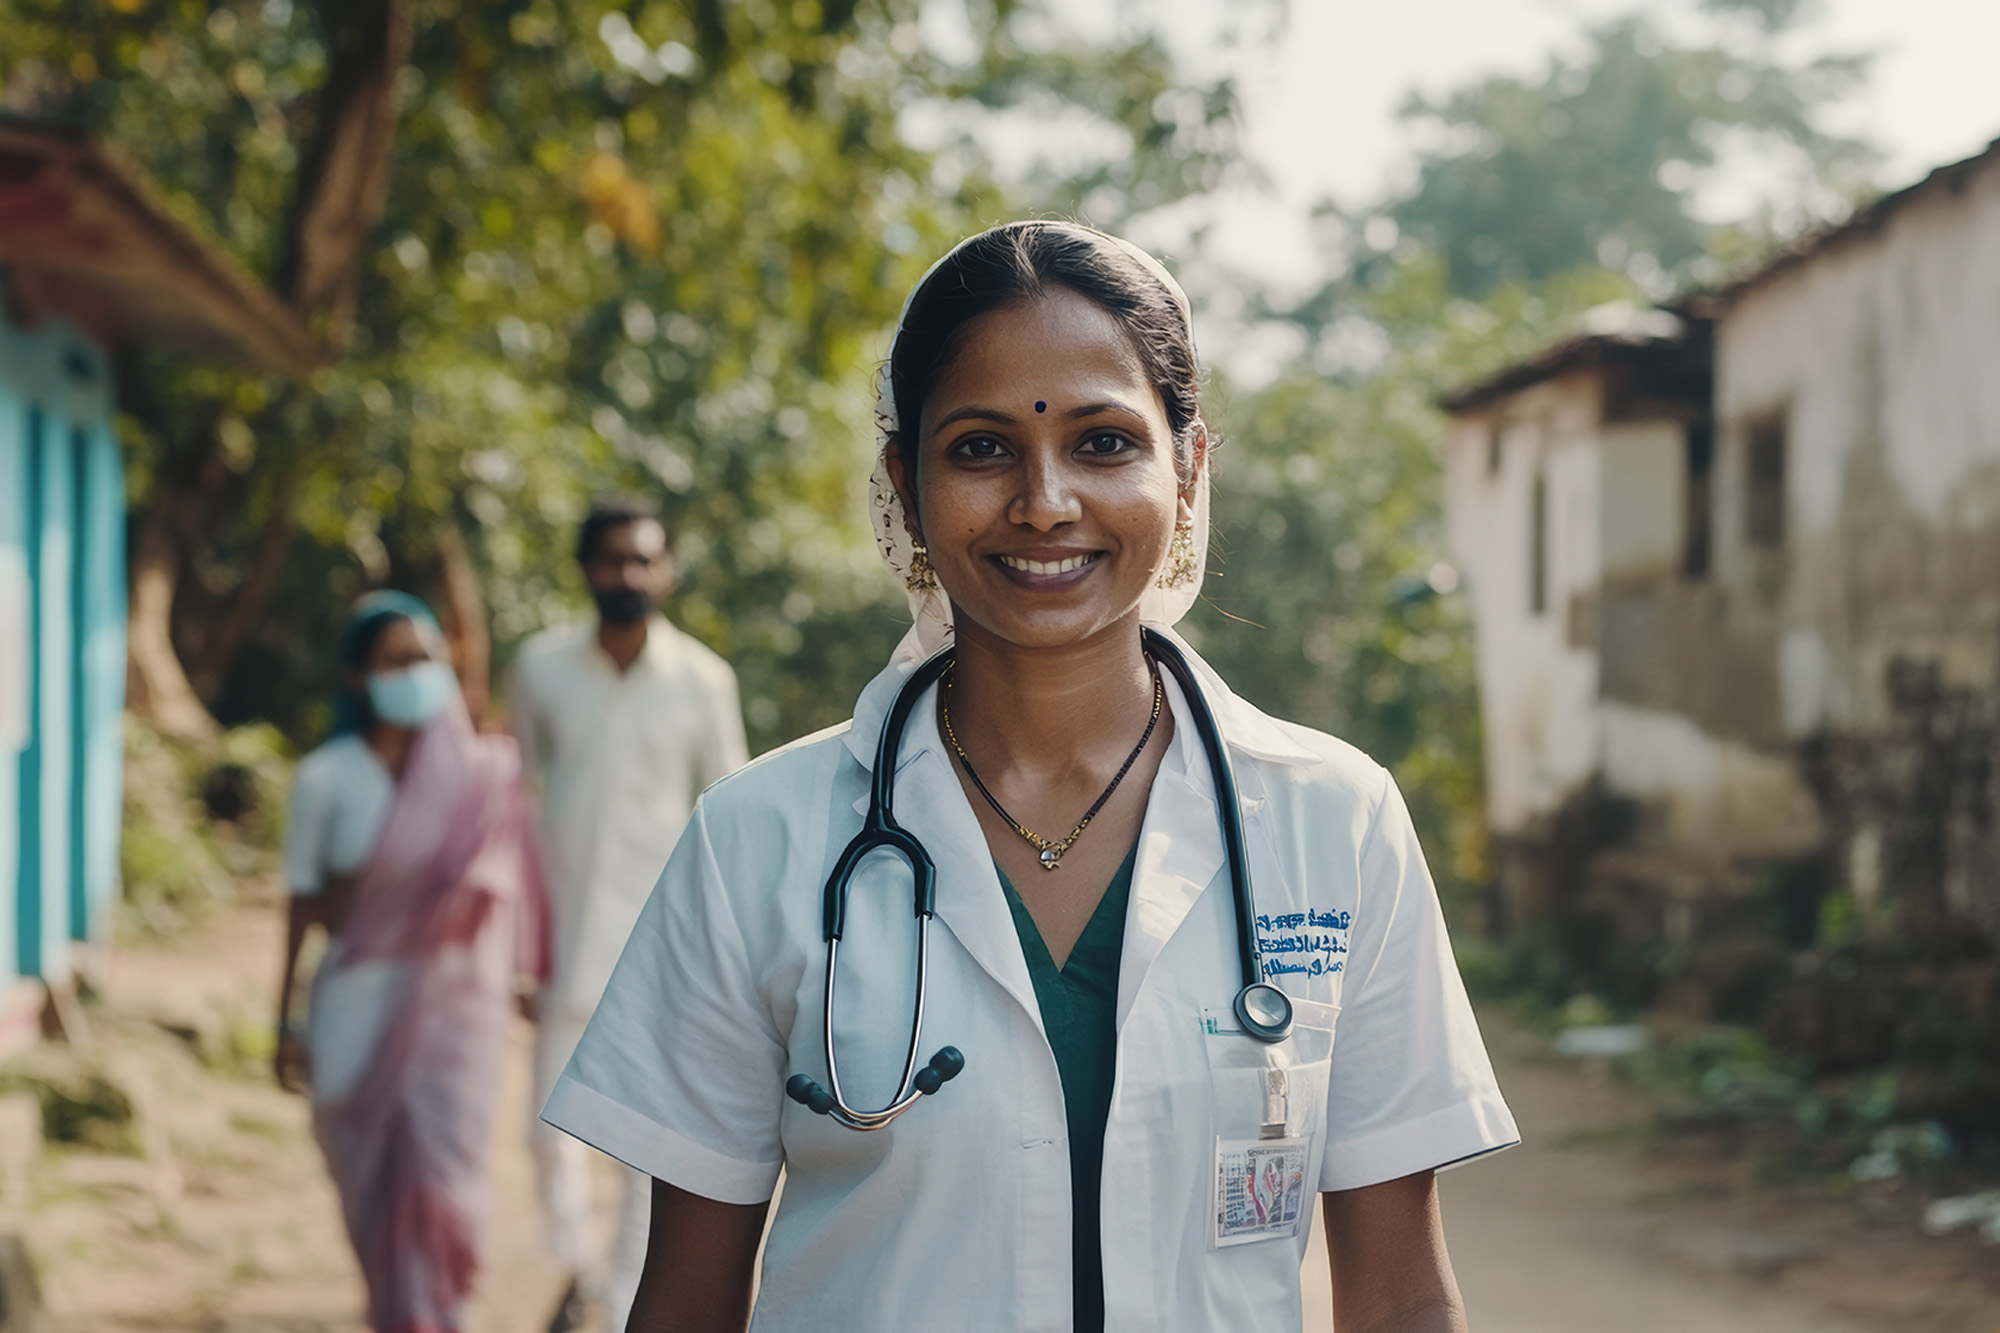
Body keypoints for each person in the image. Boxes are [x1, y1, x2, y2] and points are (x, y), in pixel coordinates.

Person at [541, 221, 1519, 1331]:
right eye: (978, 447)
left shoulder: (1332, 823)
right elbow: (683, 1301)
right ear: (901, 485)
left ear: (1189, 469)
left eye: (1103, 442)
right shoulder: (755, 841)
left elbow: (1397, 1293)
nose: (1044, 500)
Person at [276, 590, 549, 1333]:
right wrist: (284, 1018)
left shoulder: (485, 774)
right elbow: (303, 906)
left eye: (428, 656)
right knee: (363, 1178)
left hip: (457, 1017)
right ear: (358, 676)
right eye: (398, 660)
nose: (417, 672)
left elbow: (511, 891)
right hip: (352, 1001)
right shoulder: (327, 777)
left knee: (446, 1183)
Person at [508, 497, 750, 1333]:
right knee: (547, 1140)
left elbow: (731, 815)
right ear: (585, 569)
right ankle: (580, 1271)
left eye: (645, 560)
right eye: (613, 560)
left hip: (664, 953)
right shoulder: (539, 668)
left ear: (668, 571)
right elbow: (513, 809)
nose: (629, 576)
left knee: (651, 1157)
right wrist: (514, 944)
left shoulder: (703, 678)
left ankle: (613, 1306)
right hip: (562, 943)